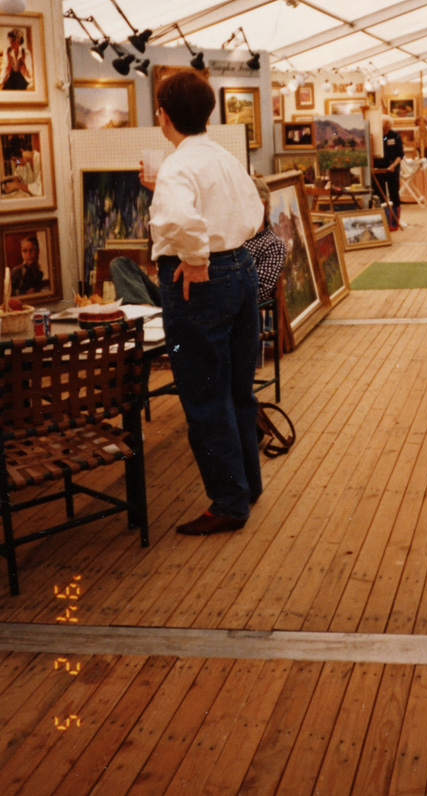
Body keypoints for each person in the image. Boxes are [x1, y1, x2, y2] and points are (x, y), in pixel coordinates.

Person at [144, 69, 265, 536]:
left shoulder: (178, 164)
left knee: (203, 396)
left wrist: (195, 258)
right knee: (237, 388)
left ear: (165, 115)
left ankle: (229, 503)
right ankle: (245, 487)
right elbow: (252, 211)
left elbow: (178, 218)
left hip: (203, 281)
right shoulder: (222, 155)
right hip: (241, 269)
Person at [244, 176, 287, 304]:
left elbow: (259, 291)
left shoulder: (272, 244)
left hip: (238, 311)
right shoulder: (231, 239)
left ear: (261, 205)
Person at [374, 115, 404, 229]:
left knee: (393, 194)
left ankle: (394, 222)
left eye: (385, 128)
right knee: (379, 194)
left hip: (392, 168)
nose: (384, 130)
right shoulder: (378, 136)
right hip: (379, 169)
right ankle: (383, 220)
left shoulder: (394, 136)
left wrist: (393, 165)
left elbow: (400, 155)